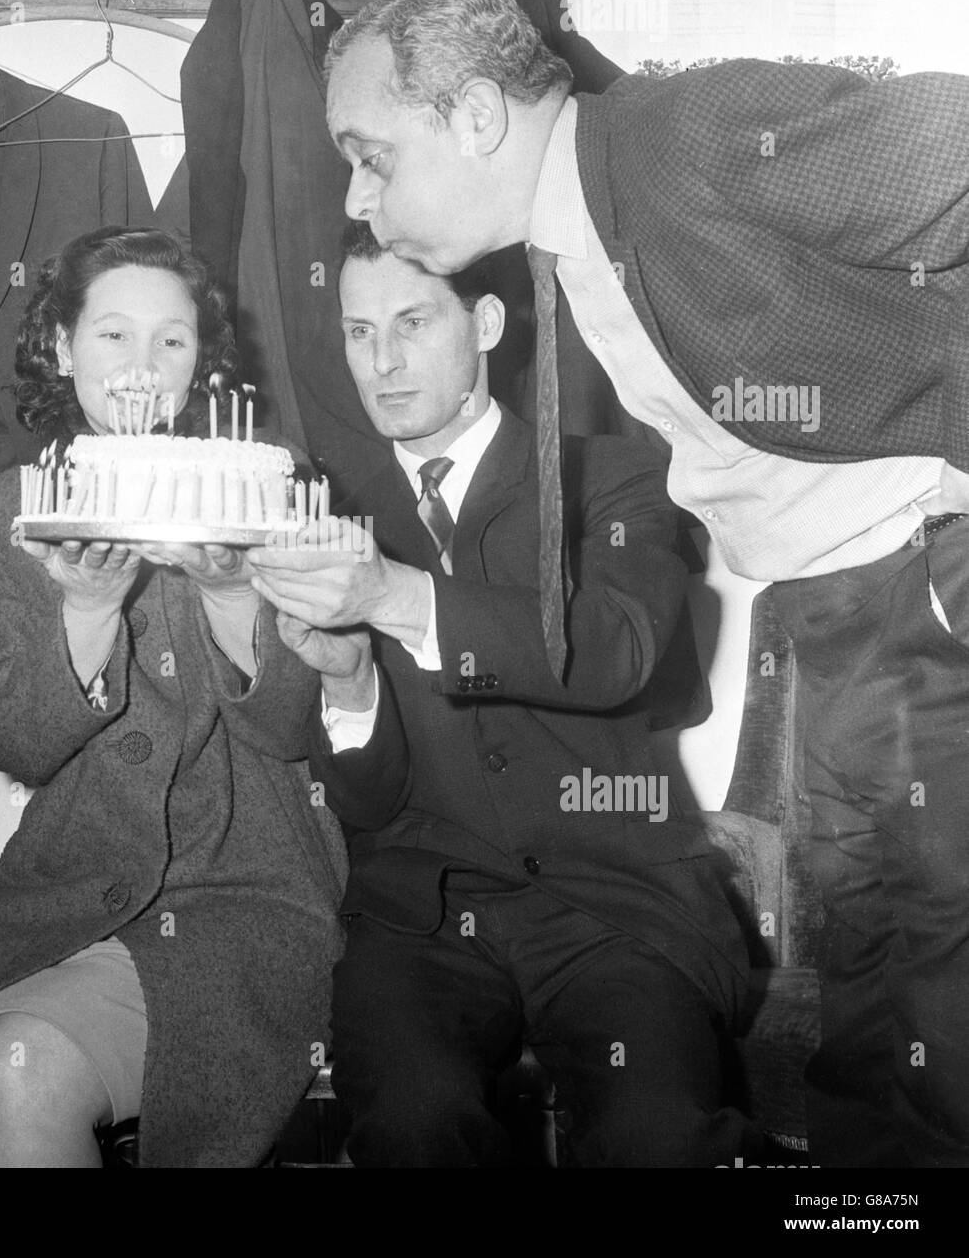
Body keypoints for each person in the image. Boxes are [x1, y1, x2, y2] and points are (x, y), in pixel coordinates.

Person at [320, 0, 969, 1168]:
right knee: (876, 991)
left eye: (371, 154)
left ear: (472, 117)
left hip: (923, 576)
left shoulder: (677, 142)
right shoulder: (571, 240)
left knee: (942, 1000)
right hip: (831, 603)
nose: (361, 195)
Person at [248, 226, 758, 1167]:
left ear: (486, 322)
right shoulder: (323, 506)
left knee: (663, 1140)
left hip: (615, 906)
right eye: (358, 332)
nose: (382, 362)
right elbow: (359, 802)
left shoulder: (613, 479)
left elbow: (620, 649)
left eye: (411, 322)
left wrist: (399, 599)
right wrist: (349, 681)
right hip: (422, 920)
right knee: (410, 1130)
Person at [0, 227, 346, 1168]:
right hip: (66, 894)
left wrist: (234, 590)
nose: (142, 367)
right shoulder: (14, 507)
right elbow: (2, 738)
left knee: (20, 1076)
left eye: (173, 339)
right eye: (113, 335)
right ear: (61, 347)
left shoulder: (268, 487)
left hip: (240, 893)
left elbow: (296, 728)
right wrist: (86, 611)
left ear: (204, 356)